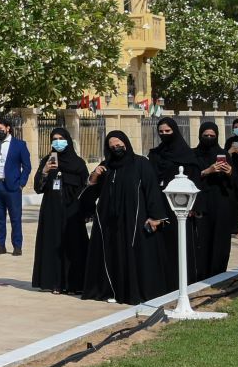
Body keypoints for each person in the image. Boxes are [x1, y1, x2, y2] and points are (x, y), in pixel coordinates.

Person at [70, 131, 175, 305]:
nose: (116, 148)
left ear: (126, 143)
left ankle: (132, 292)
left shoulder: (141, 163)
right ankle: (114, 291)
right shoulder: (106, 166)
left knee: (133, 255)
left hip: (134, 219)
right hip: (109, 221)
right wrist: (94, 176)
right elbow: (88, 195)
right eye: (112, 146)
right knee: (112, 255)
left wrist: (156, 217)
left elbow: (152, 191)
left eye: (119, 145)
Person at [29, 127, 90, 293]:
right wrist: (45, 171)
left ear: (68, 140)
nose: (57, 142)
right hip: (52, 209)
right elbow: (38, 188)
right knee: (53, 244)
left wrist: (86, 210)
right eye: (54, 139)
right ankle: (54, 283)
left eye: (61, 138)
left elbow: (86, 187)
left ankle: (74, 284)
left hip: (72, 211)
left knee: (74, 245)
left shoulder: (78, 163)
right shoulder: (47, 161)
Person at [190, 121, 238, 281]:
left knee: (220, 241)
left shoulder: (224, 155)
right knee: (202, 240)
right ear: (200, 135)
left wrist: (230, 172)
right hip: (202, 204)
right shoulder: (193, 155)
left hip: (222, 204)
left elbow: (237, 183)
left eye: (212, 136)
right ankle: (200, 274)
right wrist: (207, 171)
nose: (209, 138)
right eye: (206, 136)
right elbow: (189, 178)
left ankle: (218, 274)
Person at [0, 113, 32, 257]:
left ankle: (17, 246)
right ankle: (0, 245)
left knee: (15, 218)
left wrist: (21, 184)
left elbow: (27, 166)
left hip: (12, 187)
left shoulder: (19, 145)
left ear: (8, 128)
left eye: (0, 128)